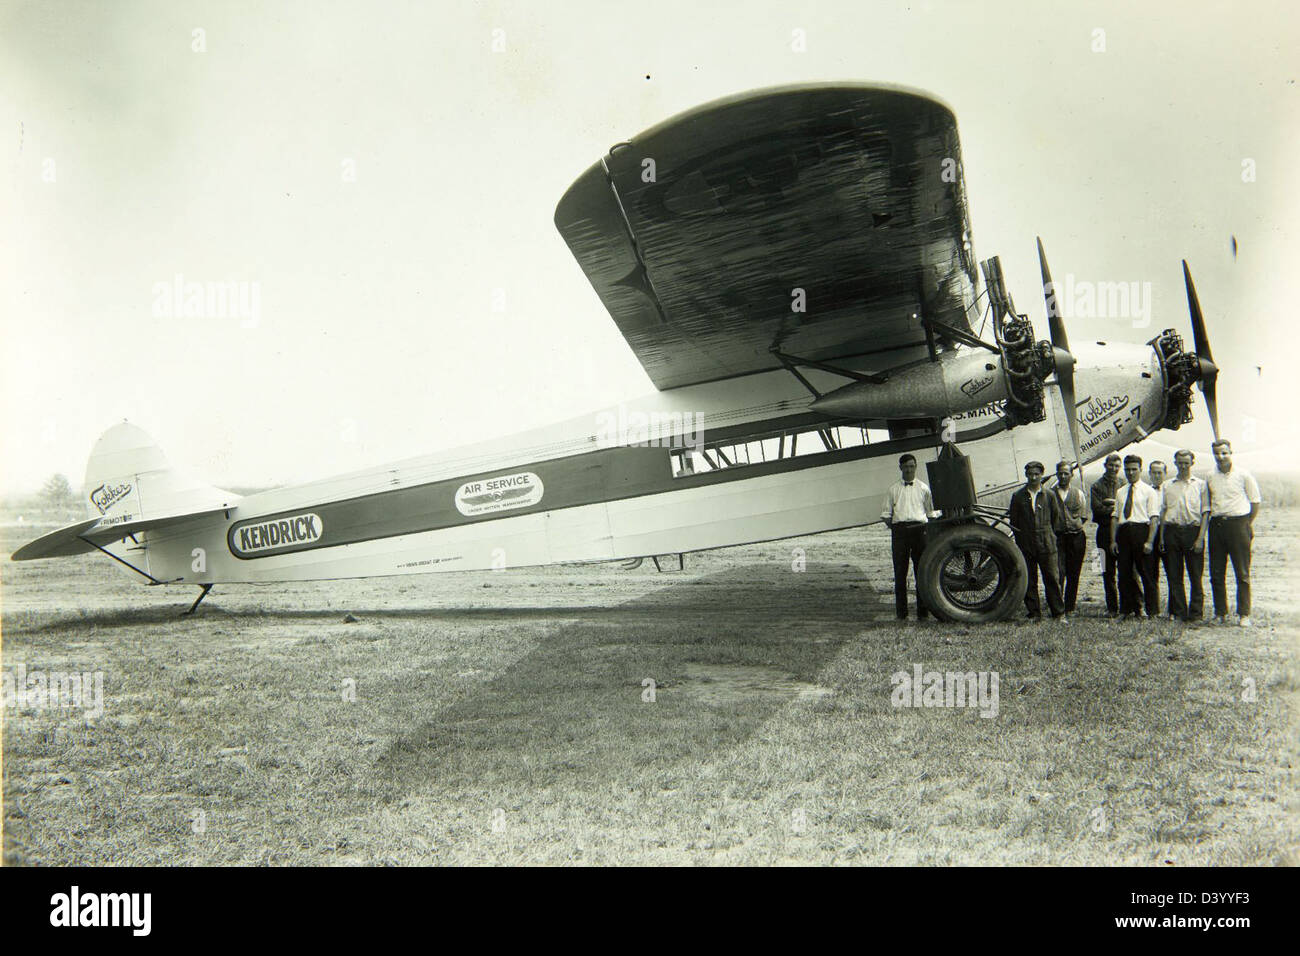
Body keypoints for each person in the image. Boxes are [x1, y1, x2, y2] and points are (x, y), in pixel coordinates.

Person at [1206, 439, 1261, 627]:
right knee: (1216, 572)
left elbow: (1255, 502)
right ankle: (1220, 612)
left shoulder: (1243, 474)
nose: (1220, 457)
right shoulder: (1210, 476)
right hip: (1217, 526)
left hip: (1239, 524)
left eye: (1224, 453)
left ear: (1231, 453)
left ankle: (1244, 614)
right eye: (1217, 453)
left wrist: (1246, 524)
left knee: (1242, 572)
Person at [1008, 461, 1067, 621]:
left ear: (1042, 475)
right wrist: (1023, 539)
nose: (1033, 477)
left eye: (1036, 474)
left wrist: (1050, 537)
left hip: (1047, 545)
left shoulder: (1049, 495)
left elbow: (1057, 520)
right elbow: (1014, 522)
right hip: (1026, 545)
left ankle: (1058, 613)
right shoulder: (1018, 496)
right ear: (1026, 475)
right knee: (1030, 580)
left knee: (1052, 579)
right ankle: (1034, 613)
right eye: (1030, 474)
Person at [881, 453, 935, 621]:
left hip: (919, 531)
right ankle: (901, 614)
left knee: (921, 571)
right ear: (900, 468)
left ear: (915, 467)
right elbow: (886, 515)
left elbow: (931, 513)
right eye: (906, 467)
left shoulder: (924, 488)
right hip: (900, 533)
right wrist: (898, 528)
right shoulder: (893, 489)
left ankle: (923, 613)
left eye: (912, 466)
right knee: (900, 572)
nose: (909, 469)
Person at [1160, 448, 1209, 622]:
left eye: (1186, 463)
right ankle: (1180, 613)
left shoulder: (1201, 485)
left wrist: (1200, 538)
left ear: (1192, 463)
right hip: (1172, 531)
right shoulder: (1167, 485)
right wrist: (1161, 538)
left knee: (1196, 575)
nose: (1183, 466)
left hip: (1192, 531)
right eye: (1179, 463)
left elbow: (1205, 513)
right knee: (1175, 575)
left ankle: (1196, 614)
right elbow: (1163, 513)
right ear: (1175, 463)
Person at [1110, 454, 1162, 619]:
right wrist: (1113, 540)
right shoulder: (1120, 492)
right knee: (1124, 574)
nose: (1131, 473)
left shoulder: (1149, 491)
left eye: (1134, 469)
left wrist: (1149, 541)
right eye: (1127, 470)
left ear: (1140, 470)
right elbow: (1115, 517)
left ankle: (1152, 612)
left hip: (1142, 532)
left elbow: (1154, 518)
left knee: (1147, 574)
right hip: (1125, 533)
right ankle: (1126, 611)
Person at [1089, 453, 1123, 617]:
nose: (1114, 469)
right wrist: (1115, 508)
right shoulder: (1096, 486)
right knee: (1106, 570)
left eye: (1117, 466)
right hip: (1103, 531)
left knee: (1126, 569)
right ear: (1105, 465)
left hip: (1122, 532)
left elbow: (1127, 509)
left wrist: (1109, 503)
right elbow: (1097, 510)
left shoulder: (1123, 484)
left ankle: (1127, 606)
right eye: (1111, 465)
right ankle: (1112, 608)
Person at [1052, 460, 1088, 615]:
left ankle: (1070, 607)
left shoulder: (1078, 493)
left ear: (1072, 475)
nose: (1063, 476)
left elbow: (1084, 516)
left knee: (1074, 573)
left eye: (1066, 473)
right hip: (1058, 538)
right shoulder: (1050, 494)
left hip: (1076, 537)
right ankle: (1058, 606)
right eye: (1060, 473)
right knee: (1059, 572)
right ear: (1057, 474)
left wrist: (1074, 525)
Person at [1145, 460, 1168, 612]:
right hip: (1150, 531)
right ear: (1149, 473)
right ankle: (1153, 610)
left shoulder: (1169, 489)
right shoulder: (1146, 491)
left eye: (1160, 472)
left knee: (1172, 571)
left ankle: (1174, 610)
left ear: (1165, 474)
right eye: (1154, 472)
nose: (1157, 475)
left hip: (1167, 532)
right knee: (1150, 573)